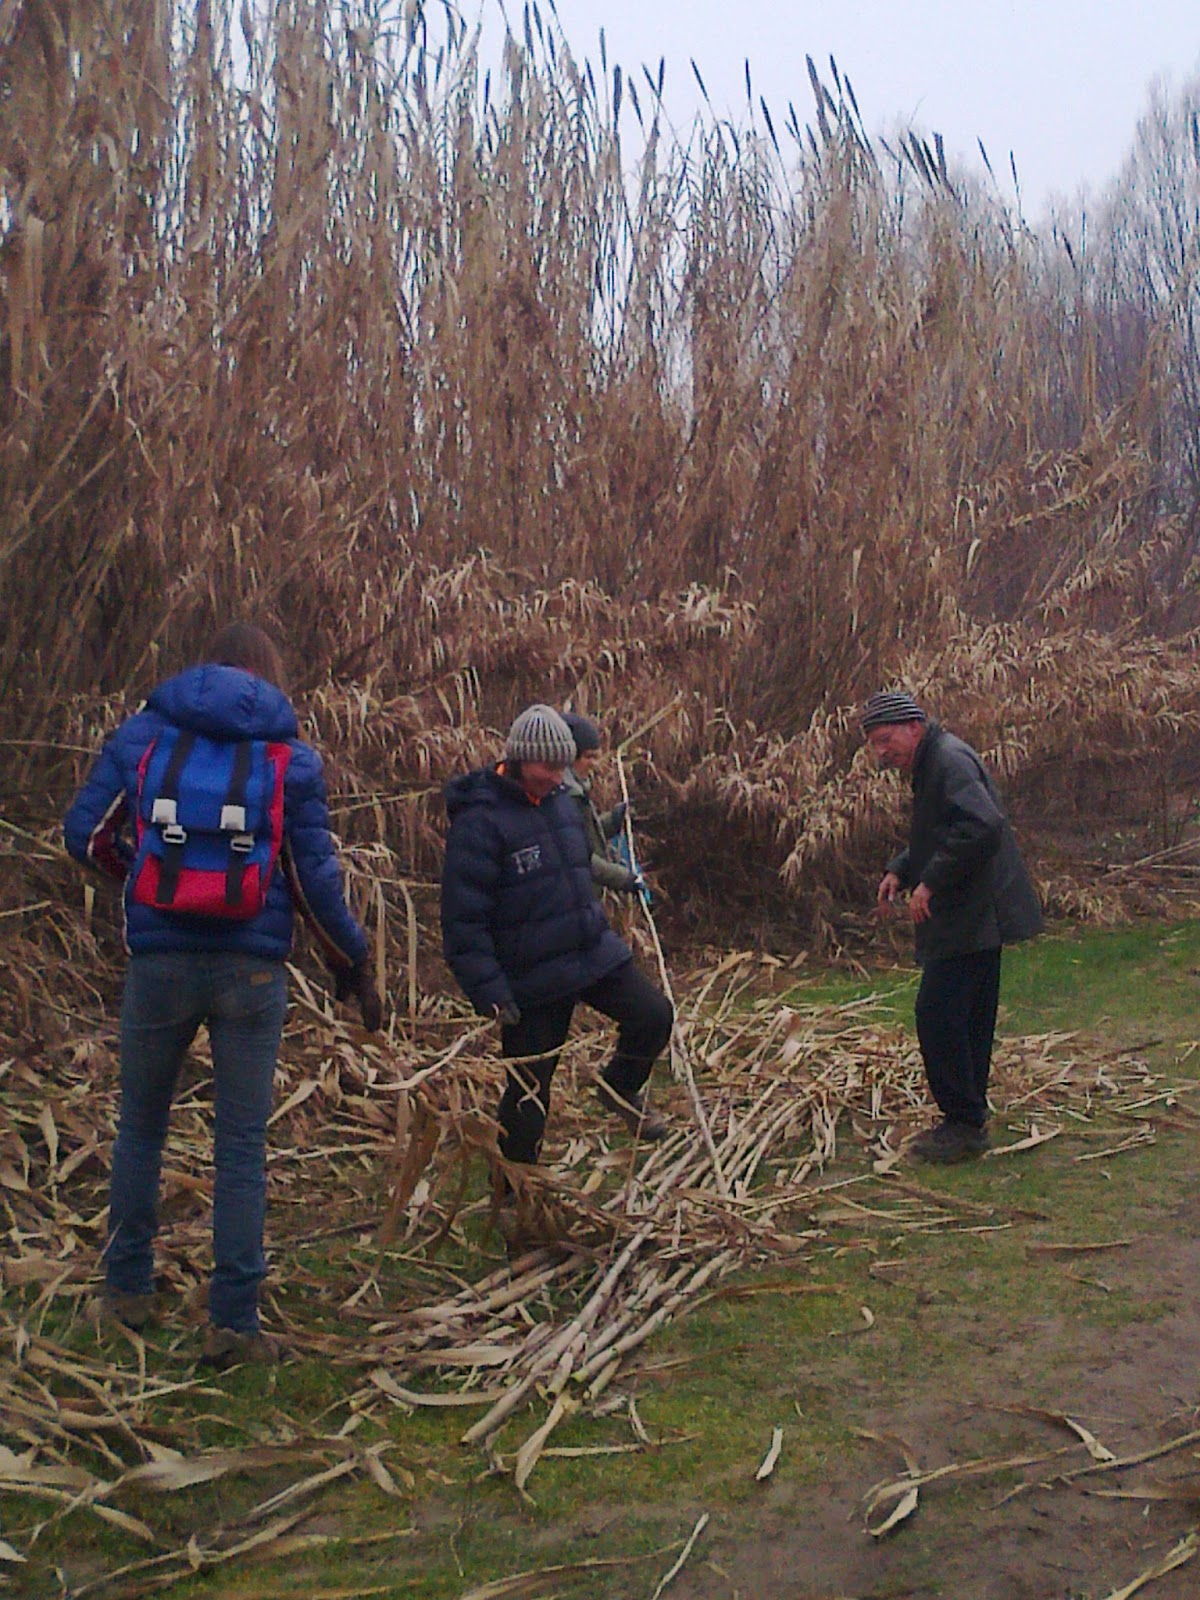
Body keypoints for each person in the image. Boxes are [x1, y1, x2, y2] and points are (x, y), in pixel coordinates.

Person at [64, 622, 381, 1367]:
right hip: (252, 971)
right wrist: (354, 965)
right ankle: (234, 1324)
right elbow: (314, 882)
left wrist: (147, 885)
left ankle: (125, 1295)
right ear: (267, 676)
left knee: (140, 1129)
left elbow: (85, 835)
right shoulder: (289, 759)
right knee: (240, 1145)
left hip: (160, 962)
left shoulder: (143, 736)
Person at [440, 704, 675, 1209]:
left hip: (589, 950)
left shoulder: (562, 803)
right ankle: (512, 1199)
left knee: (654, 1017)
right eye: (548, 767)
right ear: (520, 759)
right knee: (527, 1096)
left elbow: (581, 870)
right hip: (531, 977)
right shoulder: (480, 824)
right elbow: (463, 921)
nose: (555, 777)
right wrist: (490, 991)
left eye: (562, 767)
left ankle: (618, 1087)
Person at [863, 689, 1042, 1164]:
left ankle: (962, 1123)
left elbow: (982, 826)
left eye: (886, 740)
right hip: (975, 910)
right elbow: (942, 830)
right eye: (874, 744)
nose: (882, 753)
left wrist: (930, 883)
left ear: (913, 727)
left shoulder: (947, 760)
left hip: (972, 911)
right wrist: (903, 868)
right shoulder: (934, 760)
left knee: (939, 1015)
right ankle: (969, 1116)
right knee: (968, 1016)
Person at [560, 711, 646, 898]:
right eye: (588, 757)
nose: (594, 764)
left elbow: (584, 837)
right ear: (569, 757)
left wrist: (615, 820)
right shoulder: (563, 798)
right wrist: (625, 879)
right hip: (572, 898)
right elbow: (577, 856)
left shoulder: (576, 790)